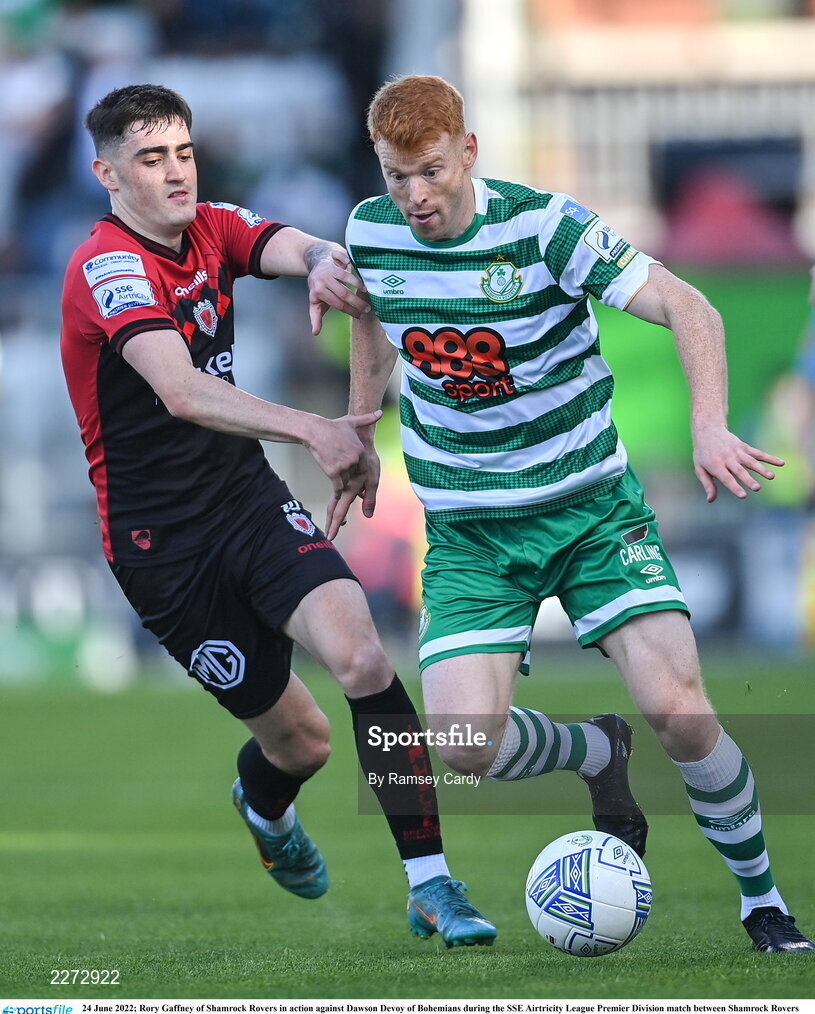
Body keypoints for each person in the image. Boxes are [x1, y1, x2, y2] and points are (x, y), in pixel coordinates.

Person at [336, 74, 815, 953]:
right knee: (463, 747)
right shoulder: (369, 231)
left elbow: (688, 303)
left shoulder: (544, 226)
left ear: (467, 152)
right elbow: (368, 313)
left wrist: (708, 426)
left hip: (591, 512)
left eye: (431, 171)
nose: (414, 196)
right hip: (473, 536)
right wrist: (362, 429)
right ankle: (594, 752)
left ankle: (760, 900)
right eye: (396, 175)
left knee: (678, 711)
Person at [60, 83, 498, 948]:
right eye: (152, 159)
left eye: (184, 152)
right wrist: (319, 430)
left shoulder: (213, 227)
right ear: (106, 173)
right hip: (161, 551)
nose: (176, 173)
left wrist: (331, 264)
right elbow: (182, 392)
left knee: (364, 655)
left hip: (247, 503)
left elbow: (294, 245)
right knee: (302, 744)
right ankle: (264, 812)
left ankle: (432, 886)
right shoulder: (104, 268)